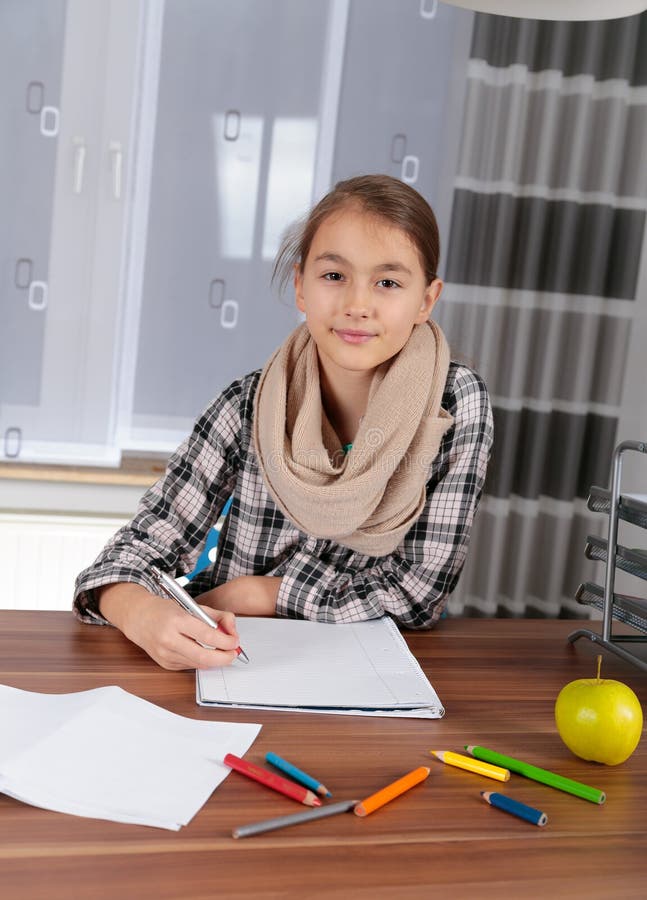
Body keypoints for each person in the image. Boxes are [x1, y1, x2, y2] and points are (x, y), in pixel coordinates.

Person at [74, 174, 493, 670]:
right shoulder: (247, 404)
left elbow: (417, 595)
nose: (358, 305)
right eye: (334, 276)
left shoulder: (454, 405)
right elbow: (125, 558)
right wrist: (141, 613)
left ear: (426, 299)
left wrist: (261, 593)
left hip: (366, 676)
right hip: (231, 659)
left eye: (388, 282)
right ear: (300, 286)